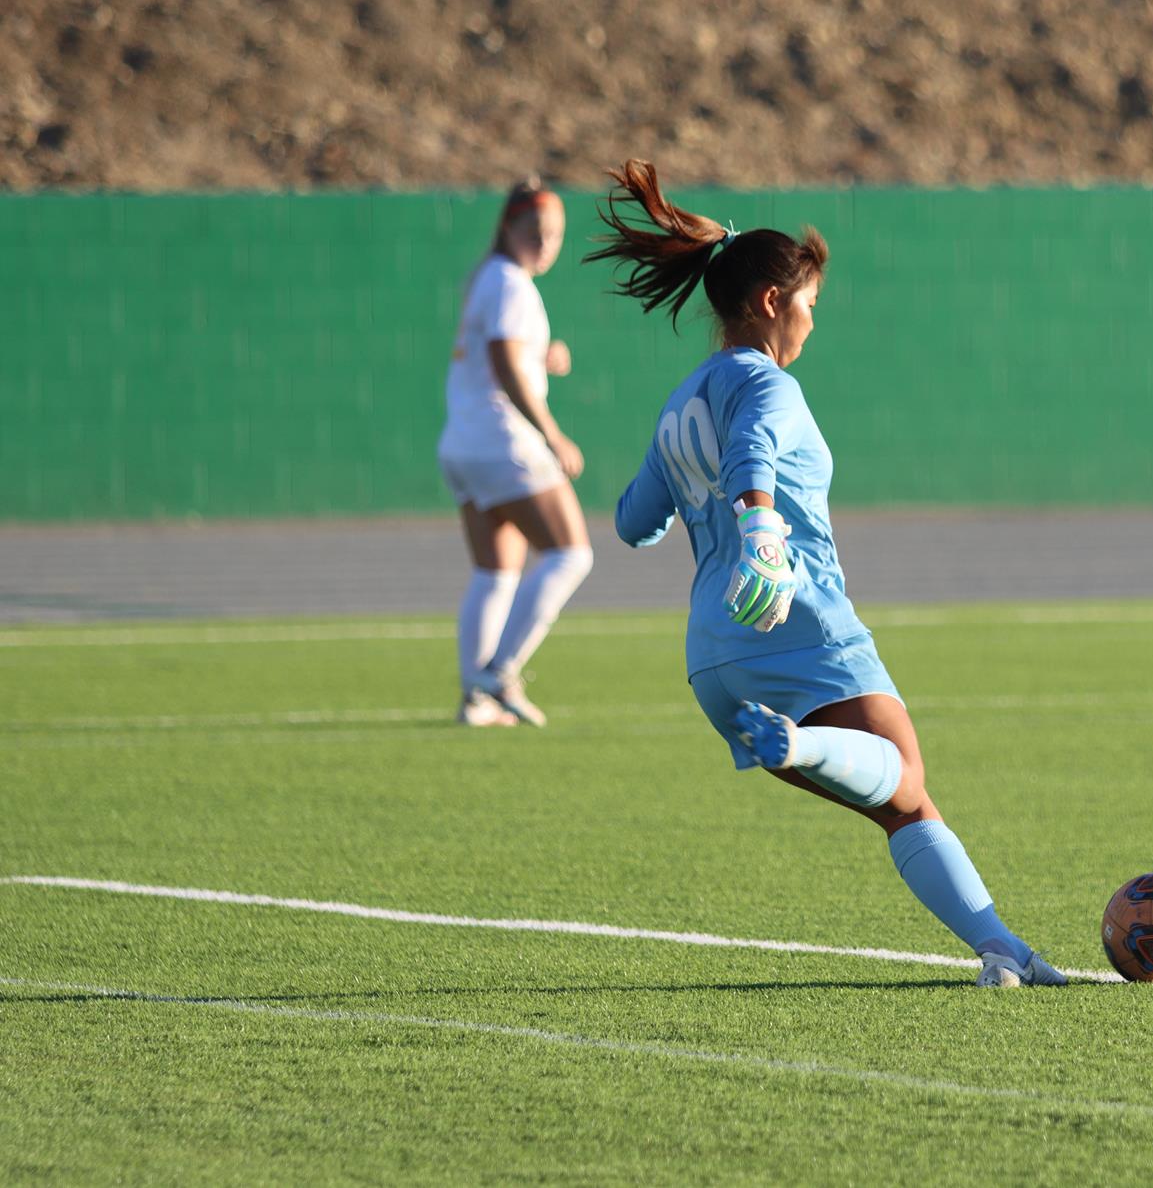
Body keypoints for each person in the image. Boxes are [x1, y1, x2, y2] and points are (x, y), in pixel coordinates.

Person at [590, 160, 1064, 988]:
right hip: (795, 617)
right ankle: (803, 742)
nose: (811, 322)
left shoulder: (679, 402)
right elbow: (753, 452)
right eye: (808, 304)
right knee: (907, 779)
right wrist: (760, 527)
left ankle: (1004, 949)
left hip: (713, 655)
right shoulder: (770, 384)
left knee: (902, 803)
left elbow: (632, 521)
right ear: (772, 302)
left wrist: (681, 494)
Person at [437, 178, 595, 727]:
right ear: (508, 229)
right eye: (535, 232)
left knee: (495, 573)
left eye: (554, 234)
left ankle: (475, 700)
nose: (546, 244)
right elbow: (503, 363)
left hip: (463, 444)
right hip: (504, 444)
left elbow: (502, 354)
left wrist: (541, 356)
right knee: (571, 553)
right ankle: (498, 673)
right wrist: (552, 433)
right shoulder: (510, 283)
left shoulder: (491, 277)